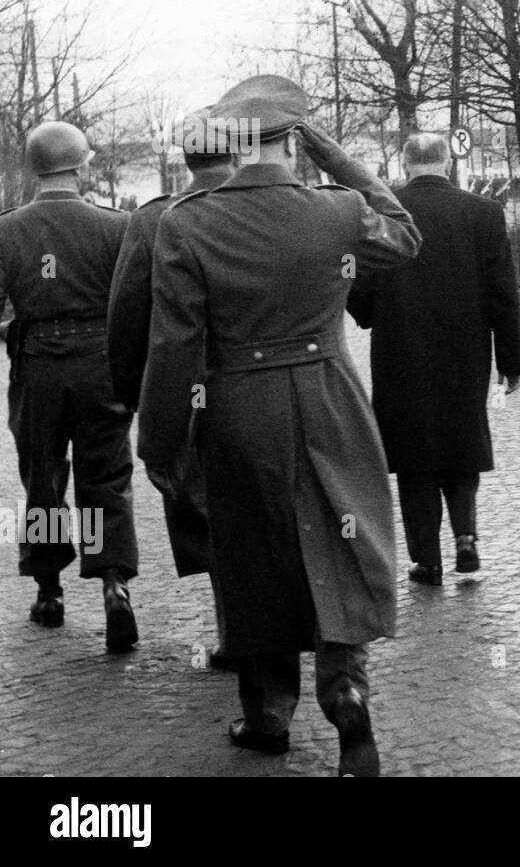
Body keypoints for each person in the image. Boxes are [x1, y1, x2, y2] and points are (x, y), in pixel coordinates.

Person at [138, 74, 421, 776]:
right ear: (295, 140)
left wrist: (161, 442)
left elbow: (176, 347)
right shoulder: (336, 211)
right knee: (339, 536)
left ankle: (267, 717)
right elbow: (408, 234)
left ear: (231, 145)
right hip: (328, 394)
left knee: (253, 554)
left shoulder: (187, 222)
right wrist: (334, 157)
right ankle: (347, 689)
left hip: (239, 403)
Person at [347, 132, 520, 586]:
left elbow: (358, 285)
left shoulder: (381, 214)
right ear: (446, 162)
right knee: (461, 441)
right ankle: (466, 535)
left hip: (400, 349)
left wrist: (372, 312)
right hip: (465, 350)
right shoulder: (483, 213)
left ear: (405, 163)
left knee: (413, 455)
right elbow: (503, 292)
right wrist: (511, 360)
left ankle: (426, 559)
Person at [0, 121, 138, 652]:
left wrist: (16, 328)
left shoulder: (8, 229)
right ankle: (113, 585)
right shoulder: (117, 226)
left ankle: (49, 590)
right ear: (81, 167)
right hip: (101, 365)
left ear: (34, 169)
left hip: (37, 369)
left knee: (43, 479)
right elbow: (133, 304)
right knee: (106, 477)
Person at [107, 107, 238, 667]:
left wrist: (134, 395)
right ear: (237, 152)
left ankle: (238, 634)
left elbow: (128, 315)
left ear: (185, 157)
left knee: (209, 511)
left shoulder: (154, 219)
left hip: (187, 393)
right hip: (275, 387)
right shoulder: (287, 207)